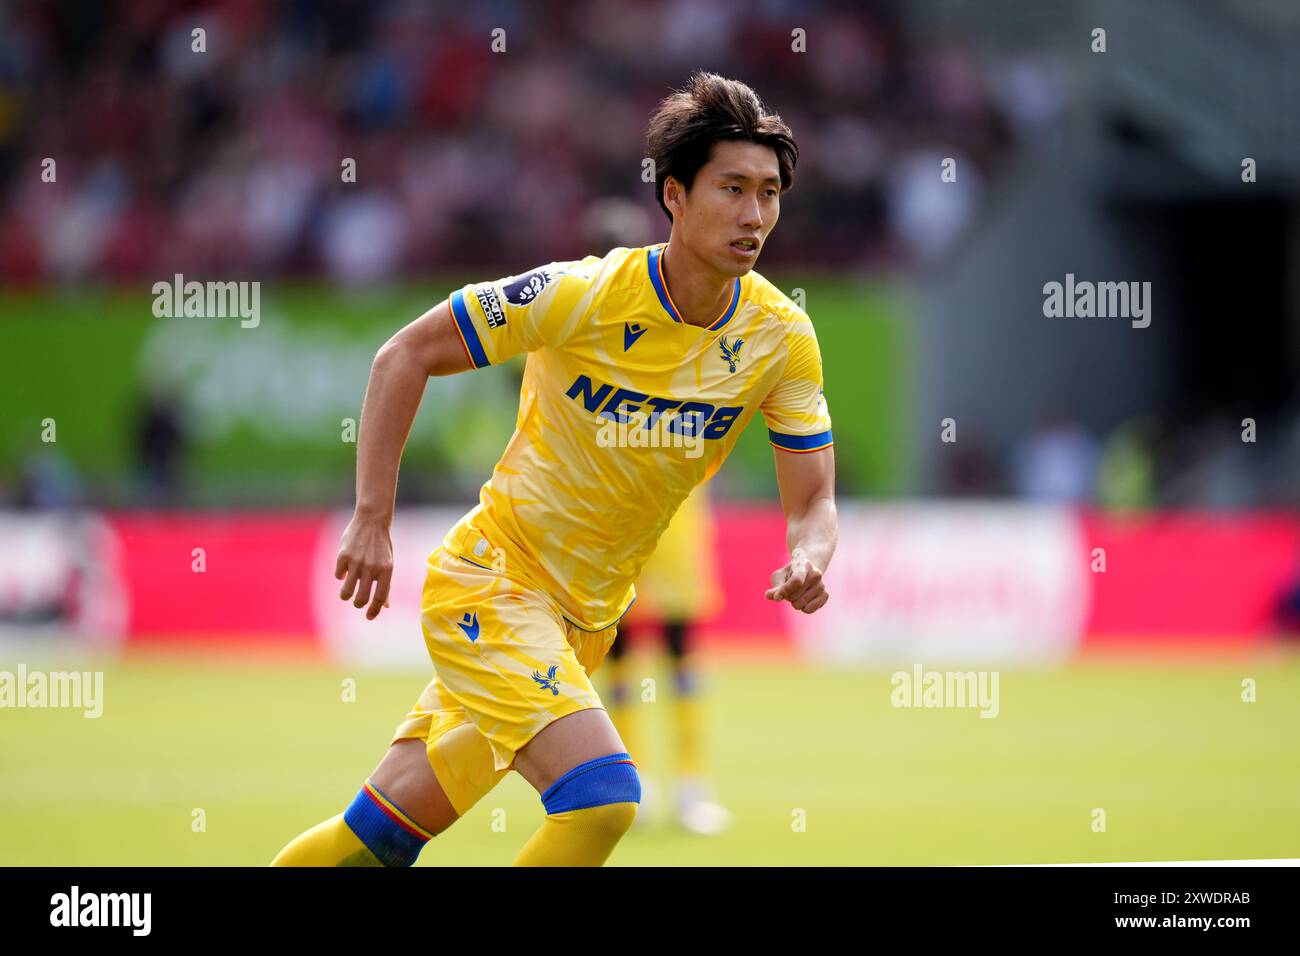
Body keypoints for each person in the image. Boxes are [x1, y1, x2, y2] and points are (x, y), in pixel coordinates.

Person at [272, 72, 837, 868]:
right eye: (733, 188)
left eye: (770, 193)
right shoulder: (582, 294)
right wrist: (371, 515)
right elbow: (405, 353)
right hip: (494, 585)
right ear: (673, 195)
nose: (754, 215)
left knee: (375, 841)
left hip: (582, 624)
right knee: (603, 799)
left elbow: (813, 499)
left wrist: (810, 553)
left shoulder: (782, 338)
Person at [606, 482, 729, 835]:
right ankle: (631, 782)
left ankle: (691, 787)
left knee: (682, 656)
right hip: (620, 528)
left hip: (677, 528)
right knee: (617, 651)